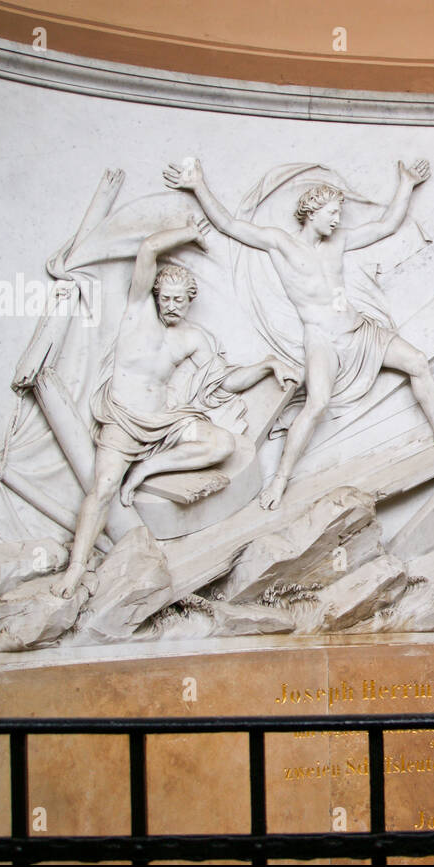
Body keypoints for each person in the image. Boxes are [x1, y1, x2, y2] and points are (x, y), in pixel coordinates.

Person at [164, 157, 434, 510]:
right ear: (312, 210)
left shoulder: (339, 242)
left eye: (339, 212)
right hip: (322, 339)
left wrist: (406, 184)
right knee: (317, 403)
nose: (337, 219)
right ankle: (280, 481)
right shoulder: (280, 244)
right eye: (332, 212)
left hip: (359, 331)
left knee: (417, 361)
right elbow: (229, 224)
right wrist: (198, 185)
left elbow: (385, 225)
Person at [51, 216, 298, 599]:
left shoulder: (192, 339)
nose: (171, 306)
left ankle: (147, 468)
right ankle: (75, 569)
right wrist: (190, 233)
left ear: (189, 302)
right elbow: (148, 248)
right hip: (123, 419)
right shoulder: (137, 314)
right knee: (101, 489)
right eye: (165, 298)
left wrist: (268, 364)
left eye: (178, 300)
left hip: (164, 423)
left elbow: (225, 380)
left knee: (222, 445)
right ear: (154, 296)